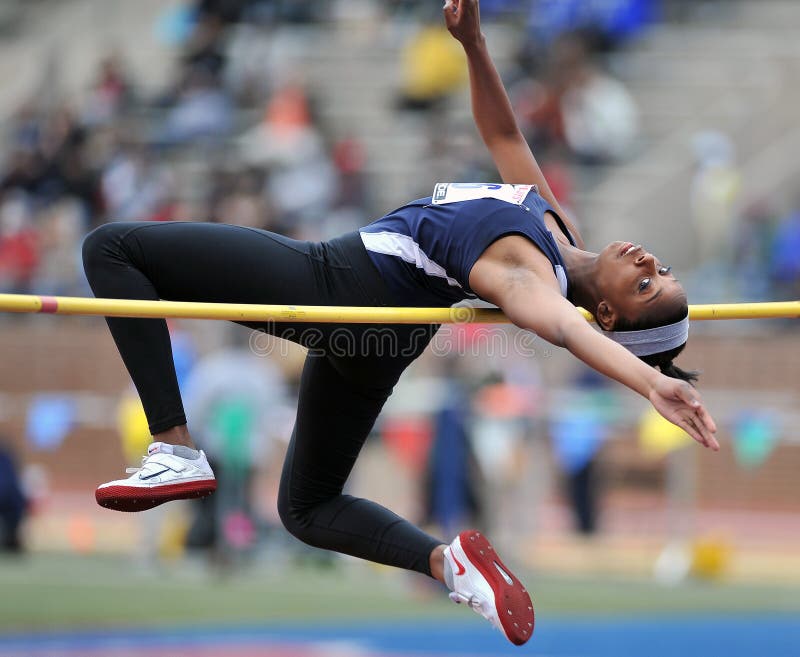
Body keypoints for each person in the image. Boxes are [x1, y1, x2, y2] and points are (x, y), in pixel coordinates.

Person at [81, 0, 717, 646]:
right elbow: (504, 137)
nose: (648, 261)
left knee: (112, 249)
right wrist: (474, 45)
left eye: (645, 286)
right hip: (384, 332)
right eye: (661, 269)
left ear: (608, 313)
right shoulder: (559, 231)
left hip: (341, 286)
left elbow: (566, 329)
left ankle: (175, 447)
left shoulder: (529, 274)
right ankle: (449, 563)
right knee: (307, 507)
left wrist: (650, 383)